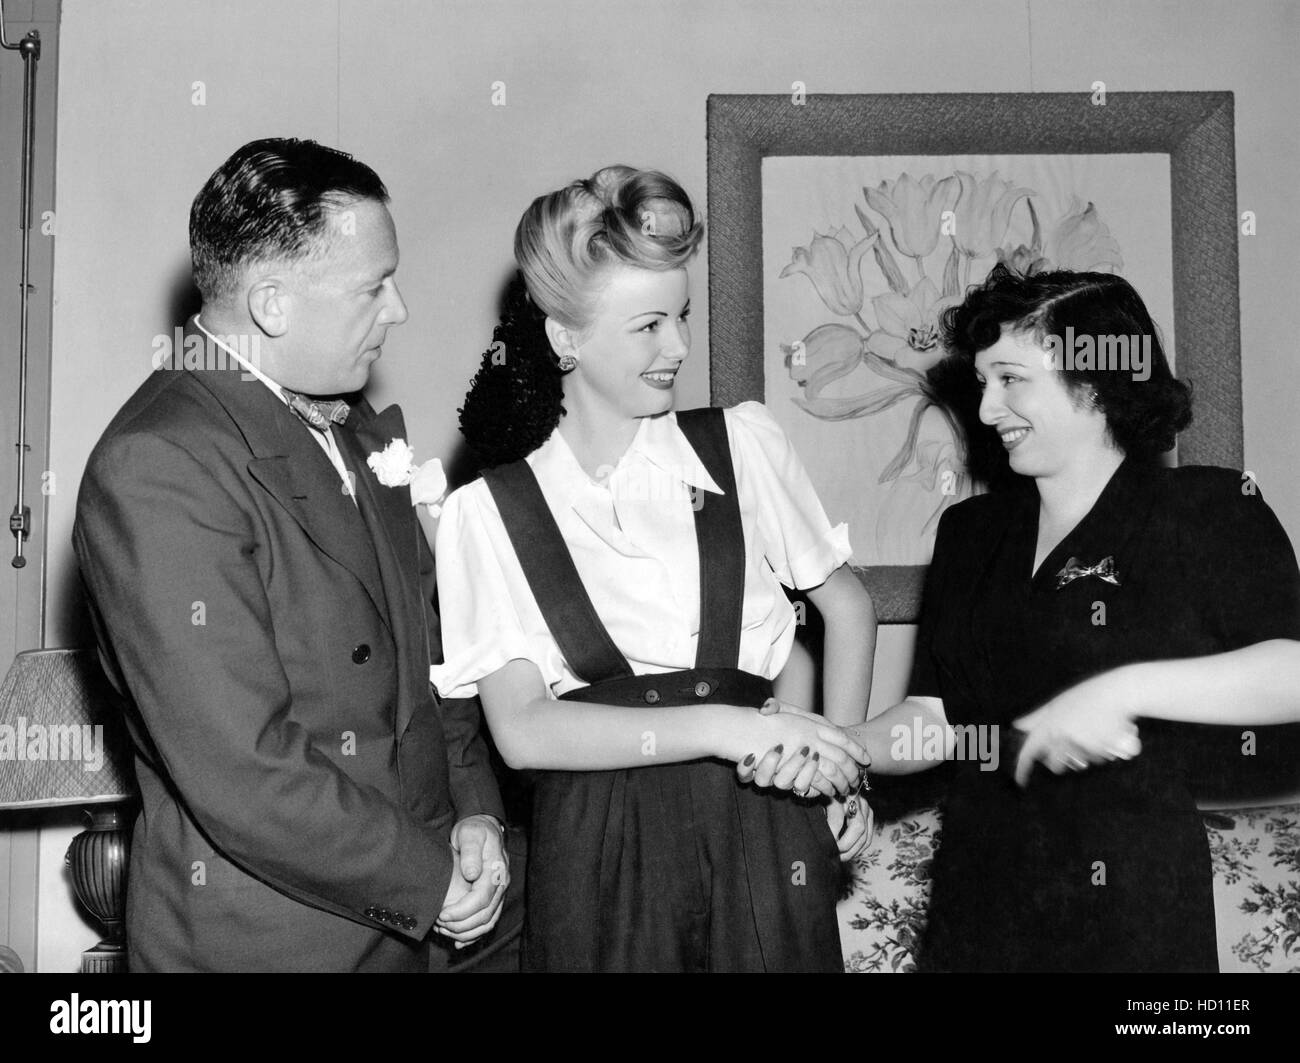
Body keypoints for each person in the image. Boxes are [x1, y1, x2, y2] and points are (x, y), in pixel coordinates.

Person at [73, 138, 514, 972]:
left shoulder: (344, 419)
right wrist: (426, 881)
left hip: (402, 933)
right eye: (373, 286)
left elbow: (432, 661)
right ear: (273, 304)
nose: (400, 310)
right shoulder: (159, 462)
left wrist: (475, 813)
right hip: (271, 945)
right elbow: (244, 766)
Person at [432, 165, 877, 972]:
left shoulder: (743, 443)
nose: (678, 346)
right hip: (598, 847)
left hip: (767, 821)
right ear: (564, 337)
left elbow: (846, 607)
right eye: (647, 326)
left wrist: (839, 770)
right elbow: (524, 728)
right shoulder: (487, 513)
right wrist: (721, 725)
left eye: (682, 316)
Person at [843, 264, 1300, 972]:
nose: (987, 410)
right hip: (979, 895)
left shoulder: (1206, 510)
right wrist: (839, 748)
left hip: (1130, 907)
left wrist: (1122, 690)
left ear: (1093, 383)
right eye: (984, 382)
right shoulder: (970, 533)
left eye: (1011, 379)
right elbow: (937, 719)